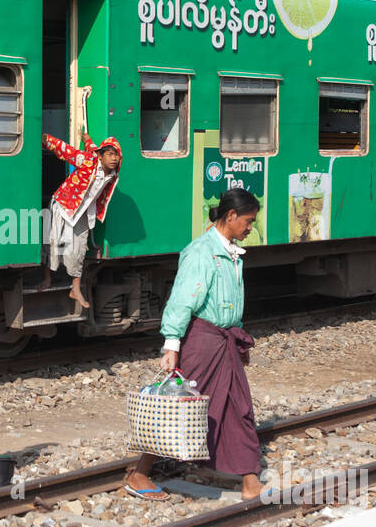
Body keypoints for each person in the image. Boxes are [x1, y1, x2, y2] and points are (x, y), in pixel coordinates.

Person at [127, 187, 263, 501]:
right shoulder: (201, 252)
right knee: (181, 409)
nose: (250, 227)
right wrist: (172, 345)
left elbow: (231, 303)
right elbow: (182, 301)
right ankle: (140, 473)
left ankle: (250, 480)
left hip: (223, 342)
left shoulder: (227, 250)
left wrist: (238, 343)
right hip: (202, 341)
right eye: (248, 220)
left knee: (237, 407)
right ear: (231, 216)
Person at [38, 133, 122, 309]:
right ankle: (47, 278)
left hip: (83, 212)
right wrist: (44, 137)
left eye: (116, 155)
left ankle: (75, 289)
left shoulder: (113, 174)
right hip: (63, 205)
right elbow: (65, 151)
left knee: (79, 249)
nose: (114, 159)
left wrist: (86, 139)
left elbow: (91, 147)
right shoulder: (87, 161)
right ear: (101, 156)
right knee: (52, 243)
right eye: (110, 154)